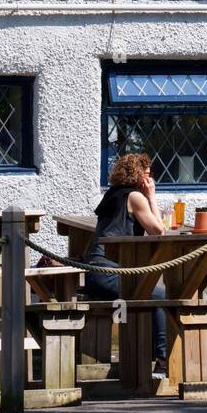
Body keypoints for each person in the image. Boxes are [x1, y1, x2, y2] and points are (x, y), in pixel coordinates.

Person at [83, 152, 170, 380]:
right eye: (148, 176)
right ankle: (162, 362)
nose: (151, 181)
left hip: (96, 273)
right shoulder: (135, 197)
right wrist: (152, 196)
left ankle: (143, 359)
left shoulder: (113, 194)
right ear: (139, 175)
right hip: (107, 273)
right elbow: (158, 231)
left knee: (148, 294)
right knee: (160, 295)